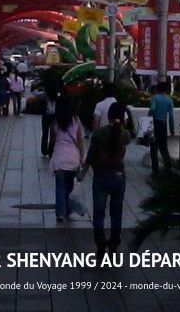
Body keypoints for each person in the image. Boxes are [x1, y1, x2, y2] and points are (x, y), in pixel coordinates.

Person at [81, 101, 131, 256]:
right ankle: (114, 242)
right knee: (116, 212)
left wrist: (82, 174)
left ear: (108, 115)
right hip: (118, 176)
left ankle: (100, 241)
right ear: (123, 117)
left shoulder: (99, 133)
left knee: (99, 211)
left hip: (101, 176)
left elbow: (90, 156)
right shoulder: (125, 134)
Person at [50, 100, 87, 223]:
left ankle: (60, 214)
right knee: (70, 187)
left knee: (60, 188)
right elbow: (80, 140)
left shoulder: (55, 122)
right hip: (72, 159)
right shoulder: (76, 121)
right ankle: (68, 210)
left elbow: (53, 141)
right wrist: (82, 157)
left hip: (59, 159)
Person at [148, 82, 176, 173]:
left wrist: (148, 118)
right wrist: (172, 129)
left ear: (158, 89)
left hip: (155, 123)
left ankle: (155, 168)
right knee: (164, 146)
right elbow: (171, 116)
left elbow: (152, 109)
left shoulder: (154, 98)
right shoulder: (169, 101)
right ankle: (168, 166)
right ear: (166, 90)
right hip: (163, 124)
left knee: (154, 146)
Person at [41, 89, 58, 157]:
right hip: (51, 116)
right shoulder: (55, 97)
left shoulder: (46, 95)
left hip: (49, 116)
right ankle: (49, 150)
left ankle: (46, 150)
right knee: (51, 134)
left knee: (47, 133)